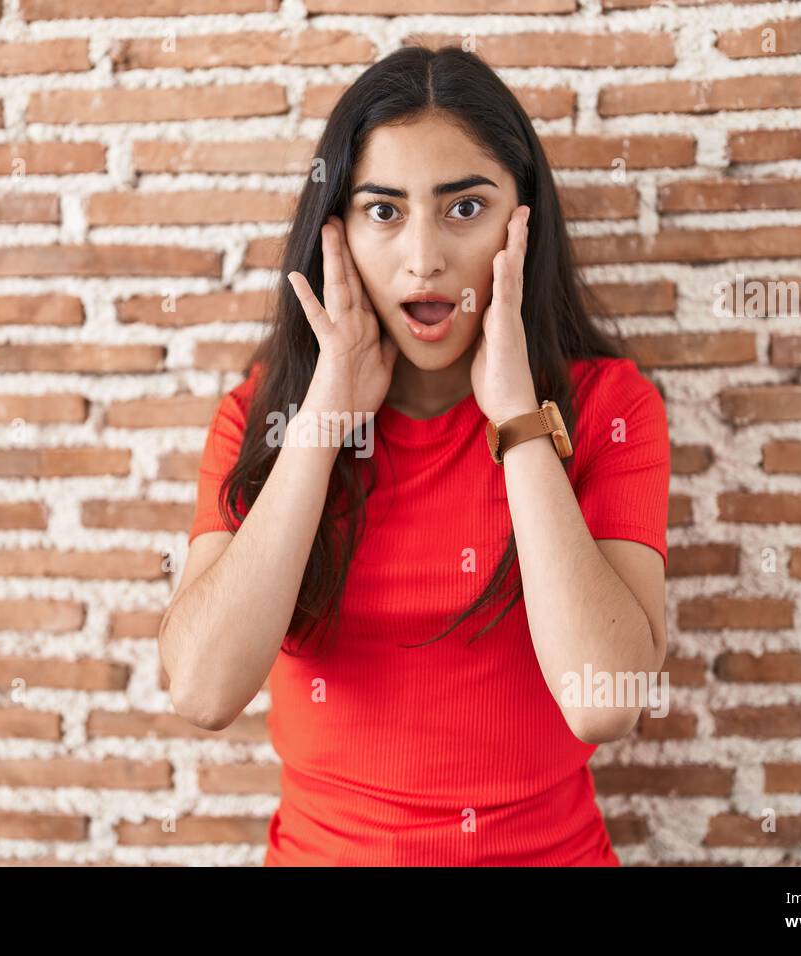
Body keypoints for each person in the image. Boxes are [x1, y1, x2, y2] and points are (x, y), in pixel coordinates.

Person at [158, 45, 671, 866]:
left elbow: (602, 703)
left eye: (464, 209)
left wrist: (514, 416)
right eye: (384, 211)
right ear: (337, 232)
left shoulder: (610, 408)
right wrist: (324, 421)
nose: (424, 257)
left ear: (523, 220)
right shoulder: (261, 416)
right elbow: (203, 690)